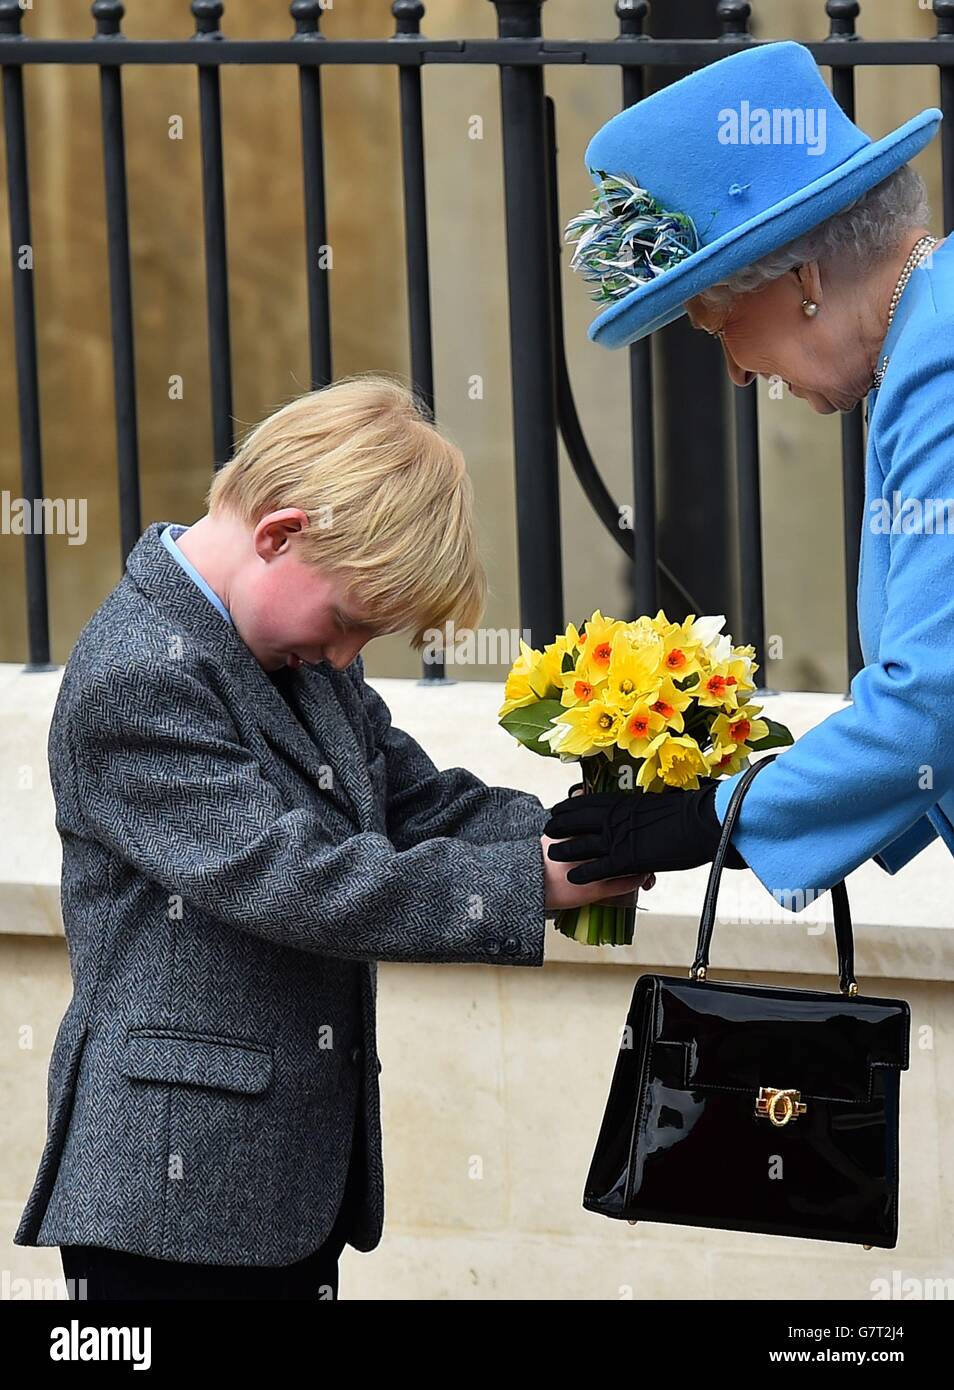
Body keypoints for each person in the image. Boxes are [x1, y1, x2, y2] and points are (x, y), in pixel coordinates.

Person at [14, 374, 644, 1299]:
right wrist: (532, 885)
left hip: (284, 1186)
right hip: (164, 1205)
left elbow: (412, 802)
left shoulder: (286, 649)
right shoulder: (137, 671)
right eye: (348, 622)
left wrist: (608, 832)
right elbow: (295, 879)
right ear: (279, 534)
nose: (347, 657)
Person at [546, 41, 954, 907]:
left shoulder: (942, 361)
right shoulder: (924, 339)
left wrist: (720, 816)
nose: (734, 373)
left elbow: (934, 707)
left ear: (804, 277)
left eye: (714, 323)